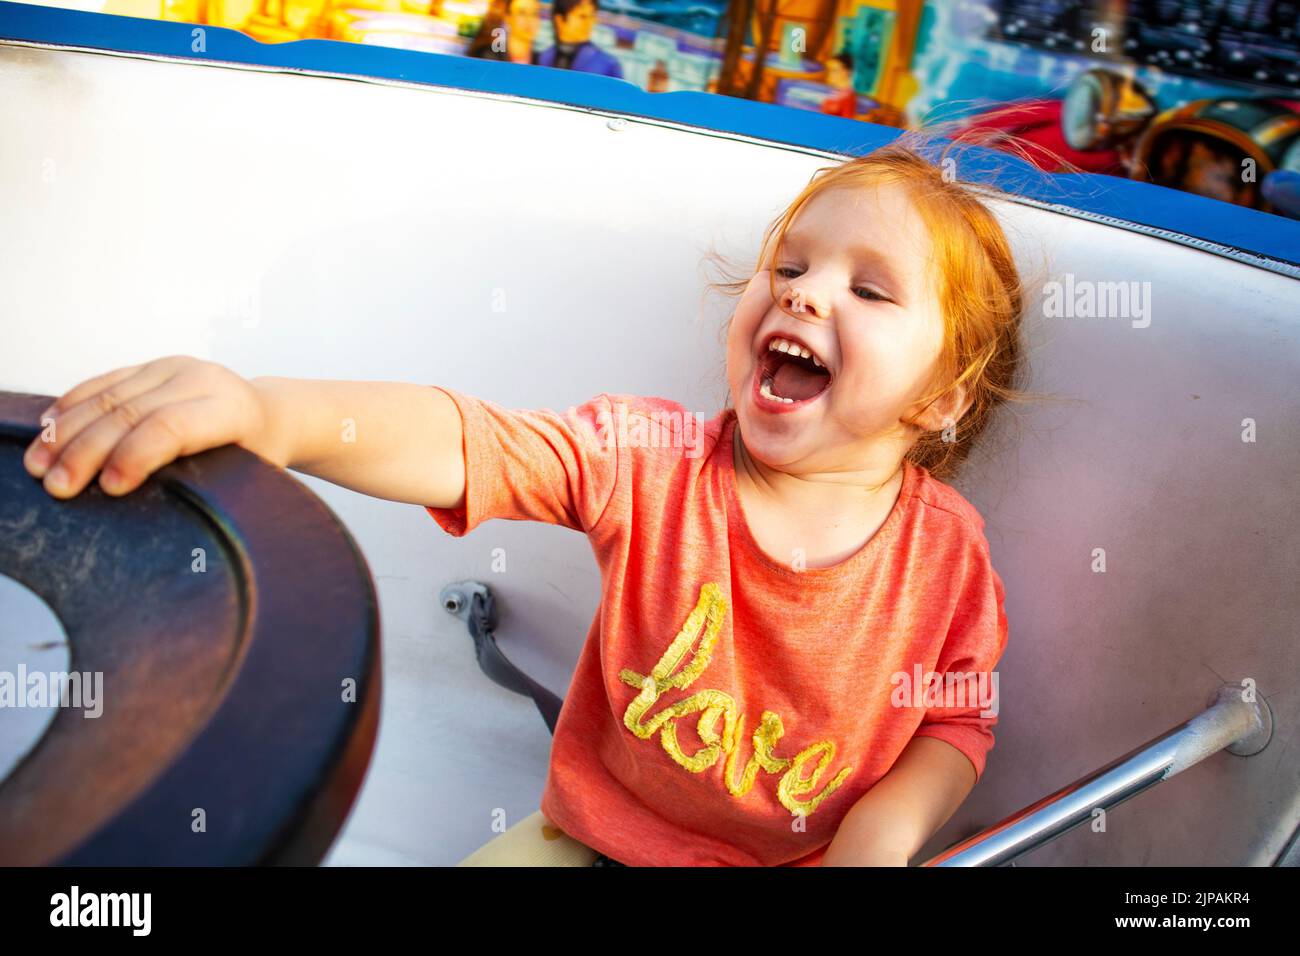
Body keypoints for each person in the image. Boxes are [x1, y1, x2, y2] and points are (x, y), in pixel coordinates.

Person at [24, 132, 1025, 867]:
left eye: (871, 289)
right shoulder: (650, 458)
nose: (805, 293)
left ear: (940, 396)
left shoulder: (945, 553)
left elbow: (956, 718)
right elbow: (472, 441)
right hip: (588, 841)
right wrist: (268, 412)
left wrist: (881, 834)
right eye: (792, 265)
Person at [535, 0, 623, 79]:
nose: (590, 23)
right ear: (560, 19)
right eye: (582, 17)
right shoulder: (541, 59)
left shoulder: (608, 65)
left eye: (592, 17)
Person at [466, 0, 541, 65]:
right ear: (508, 18)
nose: (529, 20)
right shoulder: (489, 56)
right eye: (522, 13)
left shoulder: (542, 61)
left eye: (534, 13)